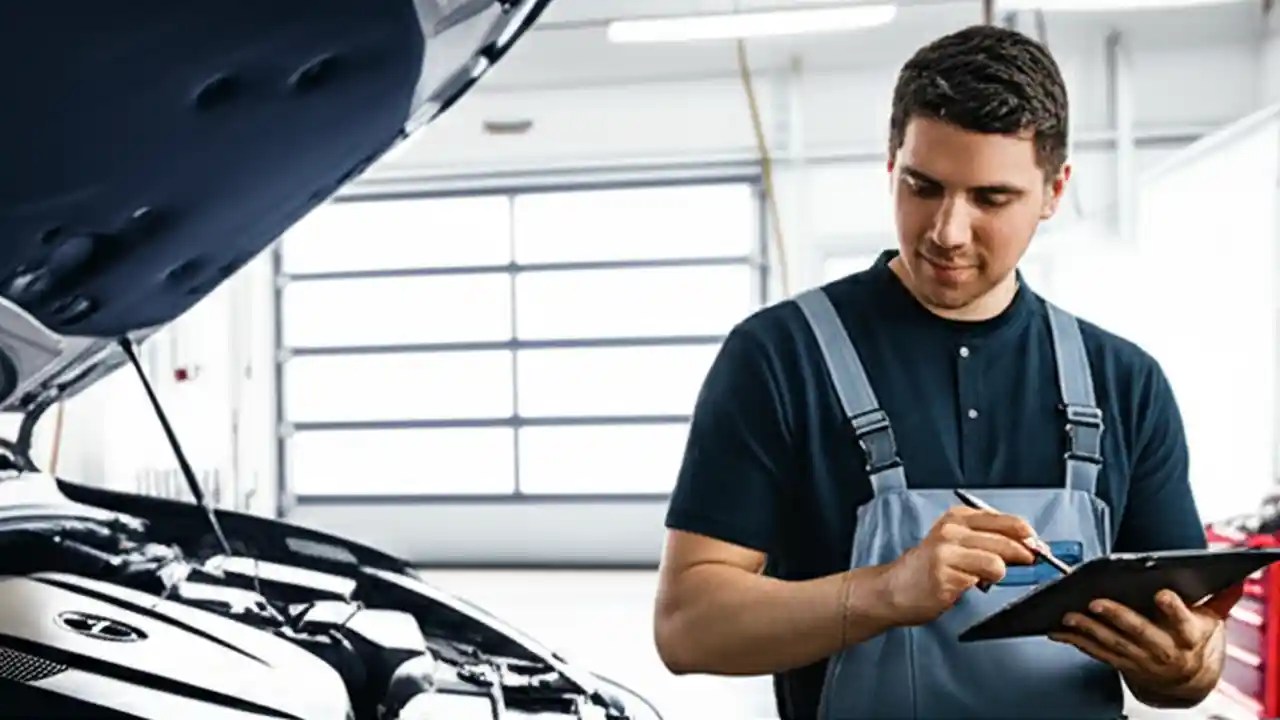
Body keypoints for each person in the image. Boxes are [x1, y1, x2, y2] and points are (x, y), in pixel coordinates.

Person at [652, 24, 1236, 720]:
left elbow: (1189, 660)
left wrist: (1187, 667)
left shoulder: (1126, 383)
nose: (947, 231)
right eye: (922, 186)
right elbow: (686, 629)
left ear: (1054, 191)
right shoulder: (779, 358)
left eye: (991, 198)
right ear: (890, 162)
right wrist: (886, 592)